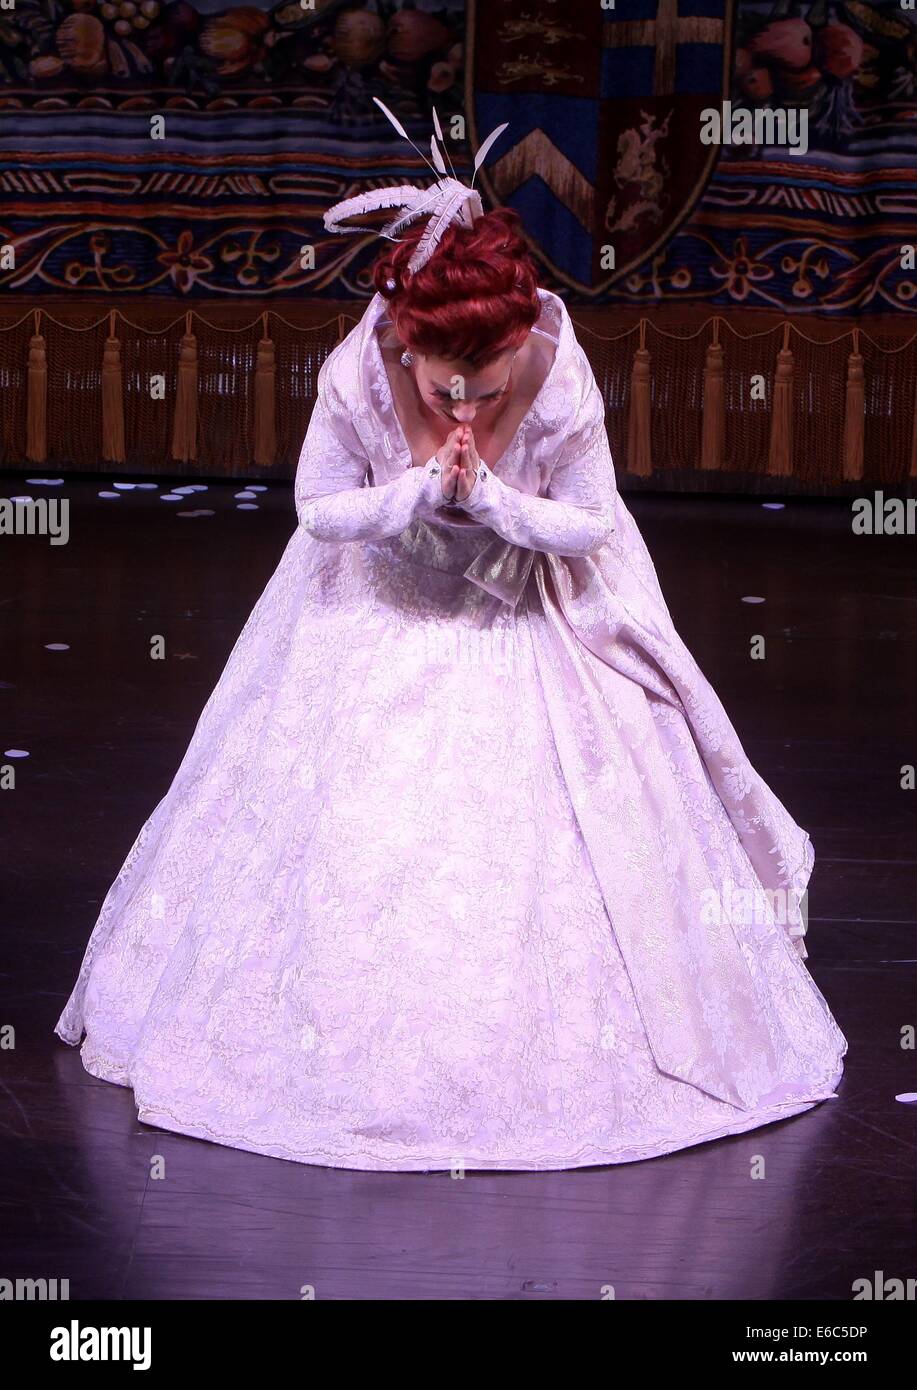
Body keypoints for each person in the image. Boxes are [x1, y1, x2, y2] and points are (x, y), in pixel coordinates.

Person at [55, 110, 846, 1172]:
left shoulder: (558, 375)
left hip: (526, 616)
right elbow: (316, 507)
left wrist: (502, 511)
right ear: (401, 338)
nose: (465, 399)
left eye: (486, 377)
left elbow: (591, 520)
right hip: (377, 607)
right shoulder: (356, 372)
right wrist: (417, 494)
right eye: (443, 383)